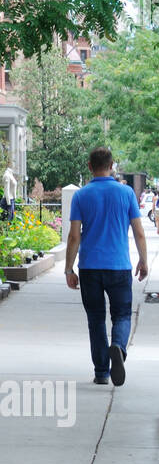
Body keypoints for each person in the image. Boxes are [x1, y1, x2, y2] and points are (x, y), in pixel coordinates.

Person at [65, 147, 148, 386]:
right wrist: (142, 260)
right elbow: (139, 232)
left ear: (89, 166)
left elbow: (74, 236)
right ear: (112, 165)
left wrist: (69, 268)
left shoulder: (81, 196)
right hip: (119, 266)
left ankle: (101, 372)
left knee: (96, 319)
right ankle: (118, 349)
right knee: (122, 315)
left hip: (90, 267)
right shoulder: (126, 193)